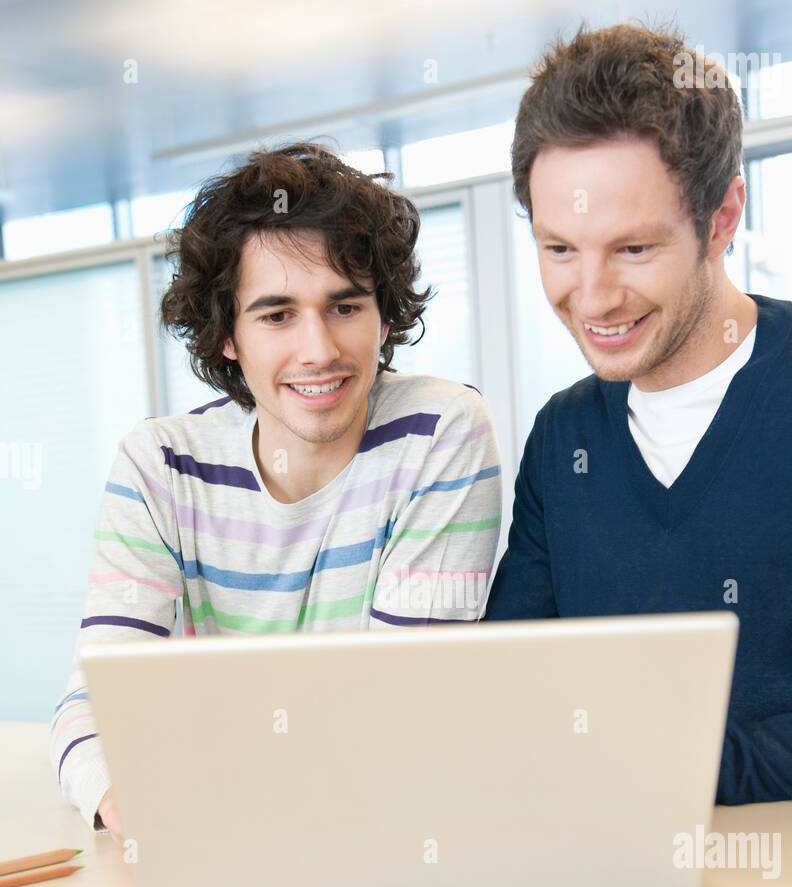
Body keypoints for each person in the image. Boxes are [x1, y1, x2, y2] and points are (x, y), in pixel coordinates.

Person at [51, 143, 502, 837]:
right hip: (216, 835)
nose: (318, 349)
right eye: (275, 314)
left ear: (383, 318)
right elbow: (94, 699)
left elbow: (400, 709)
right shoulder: (160, 466)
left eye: (344, 306)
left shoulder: (439, 433)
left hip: (390, 832)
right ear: (227, 335)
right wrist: (122, 798)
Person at [483, 22, 792, 803]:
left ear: (723, 218)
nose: (590, 299)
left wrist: (675, 768)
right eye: (560, 249)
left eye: (632, 250)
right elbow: (507, 692)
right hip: (619, 878)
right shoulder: (564, 438)